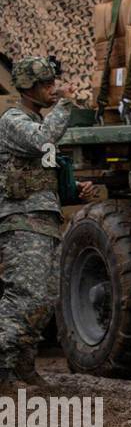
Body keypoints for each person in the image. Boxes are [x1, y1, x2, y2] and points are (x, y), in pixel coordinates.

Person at [0, 57, 93, 388]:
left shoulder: (35, 119)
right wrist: (66, 103)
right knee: (26, 295)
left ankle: (21, 364)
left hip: (42, 222)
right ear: (28, 88)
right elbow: (43, 140)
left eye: (54, 84)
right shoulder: (13, 121)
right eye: (46, 85)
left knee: (45, 297)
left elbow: (39, 177)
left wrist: (73, 189)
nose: (52, 90)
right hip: (22, 223)